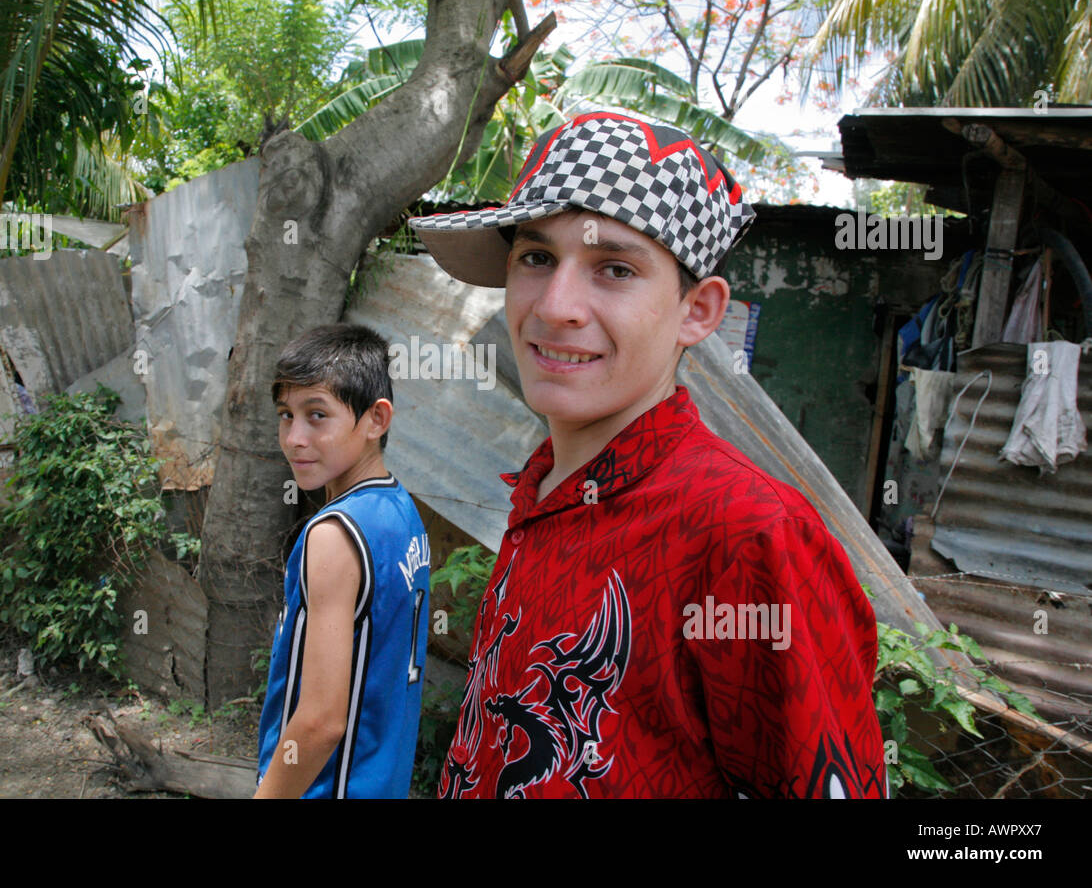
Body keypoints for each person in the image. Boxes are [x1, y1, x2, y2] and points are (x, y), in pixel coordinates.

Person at [408, 112, 887, 798]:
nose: (556, 305)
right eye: (537, 257)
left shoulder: (747, 534)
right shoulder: (542, 490)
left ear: (697, 310)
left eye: (615, 268)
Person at [254, 324, 431, 798]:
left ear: (376, 419)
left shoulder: (333, 535)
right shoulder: (401, 512)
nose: (294, 437)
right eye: (285, 415)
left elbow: (320, 721)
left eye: (317, 415)